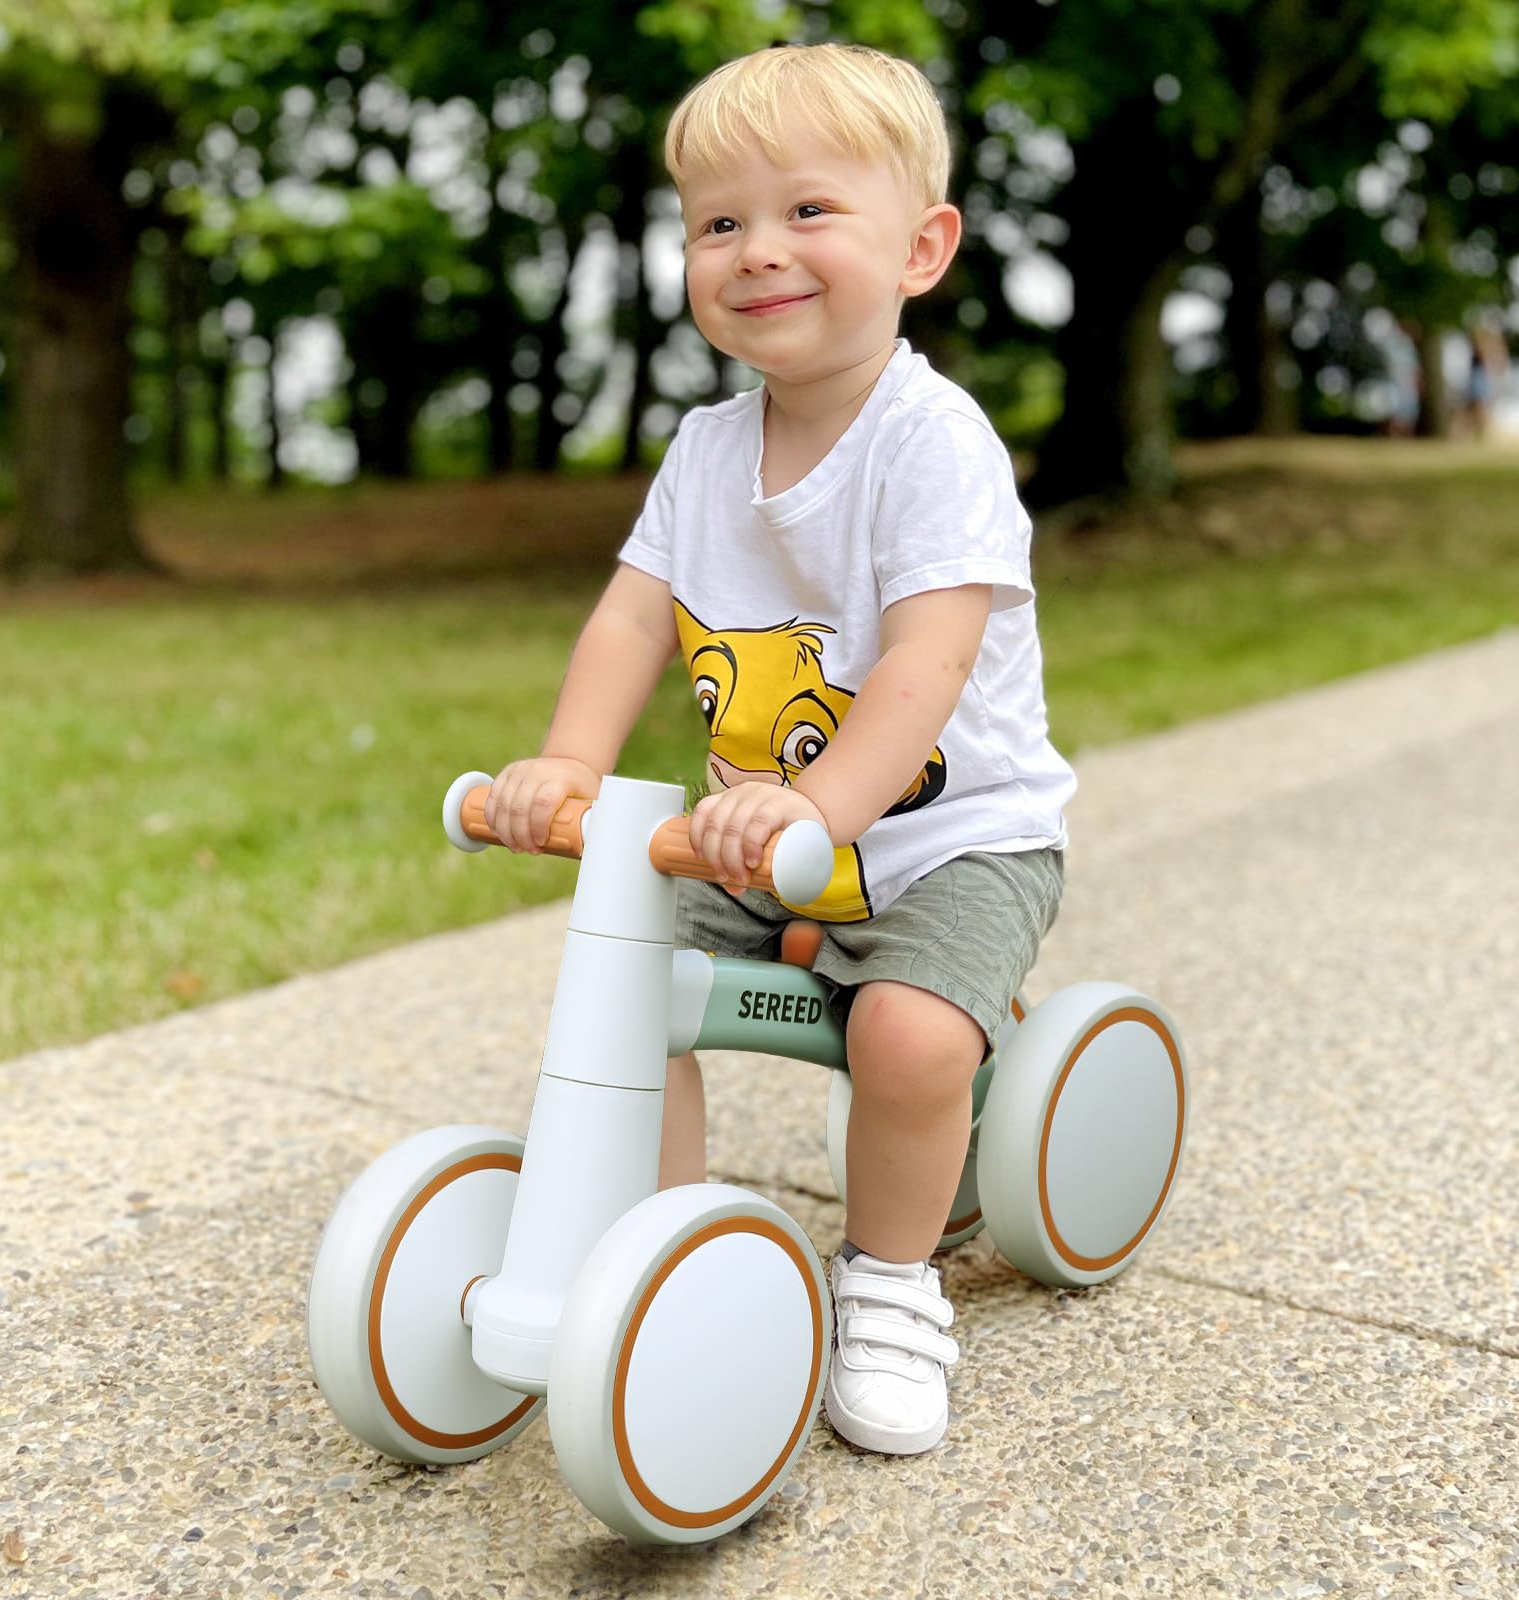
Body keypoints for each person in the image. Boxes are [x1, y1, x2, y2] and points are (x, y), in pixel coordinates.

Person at [482, 41, 1074, 1457]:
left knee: (910, 1036)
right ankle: (664, 1257)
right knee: (622, 977)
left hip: (949, 838)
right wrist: (567, 762)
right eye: (720, 223)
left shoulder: (933, 443)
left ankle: (886, 1281)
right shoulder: (702, 450)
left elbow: (927, 670)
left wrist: (820, 806)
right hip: (757, 836)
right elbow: (632, 620)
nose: (759, 251)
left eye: (809, 211)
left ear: (921, 247)